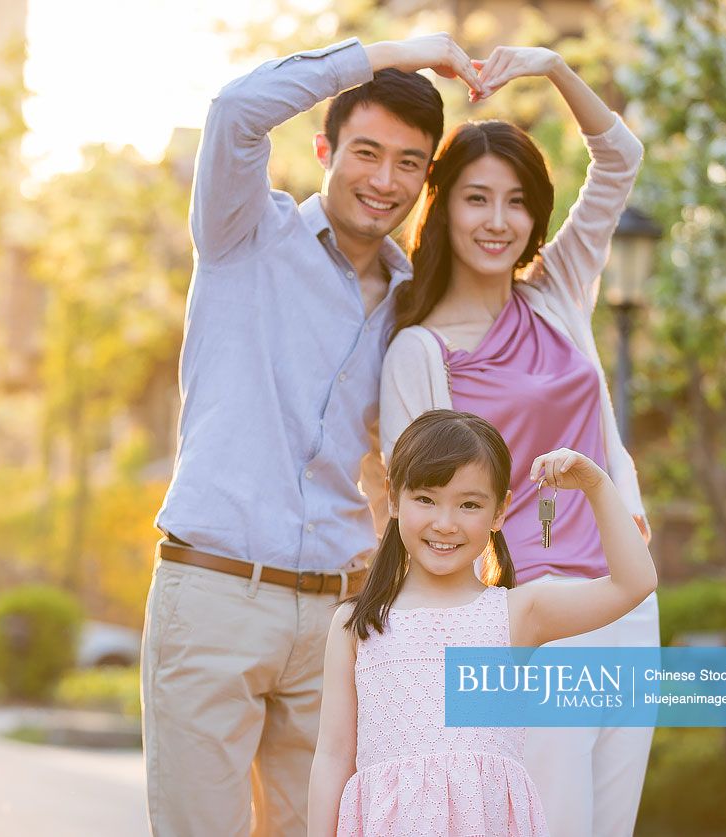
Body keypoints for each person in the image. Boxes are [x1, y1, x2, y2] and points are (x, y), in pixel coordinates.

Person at [141, 33, 486, 837]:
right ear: (325, 148)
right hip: (216, 596)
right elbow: (234, 110)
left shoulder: (413, 306)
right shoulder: (242, 235)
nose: (384, 179)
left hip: (336, 617)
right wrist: (400, 50)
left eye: (409, 163)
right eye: (366, 151)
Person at [377, 46, 659, 836]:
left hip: (627, 599)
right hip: (527, 622)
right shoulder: (418, 353)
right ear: (443, 208)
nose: (496, 222)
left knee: (610, 822)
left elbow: (618, 158)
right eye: (474, 199)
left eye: (514, 201)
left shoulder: (557, 292)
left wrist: (549, 66)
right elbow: (418, 523)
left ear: (535, 212)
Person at [307, 409, 658, 836]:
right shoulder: (357, 624)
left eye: (469, 504)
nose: (445, 523)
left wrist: (596, 484)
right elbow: (332, 756)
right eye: (425, 499)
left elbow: (634, 583)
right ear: (393, 497)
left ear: (499, 512)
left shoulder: (516, 615)